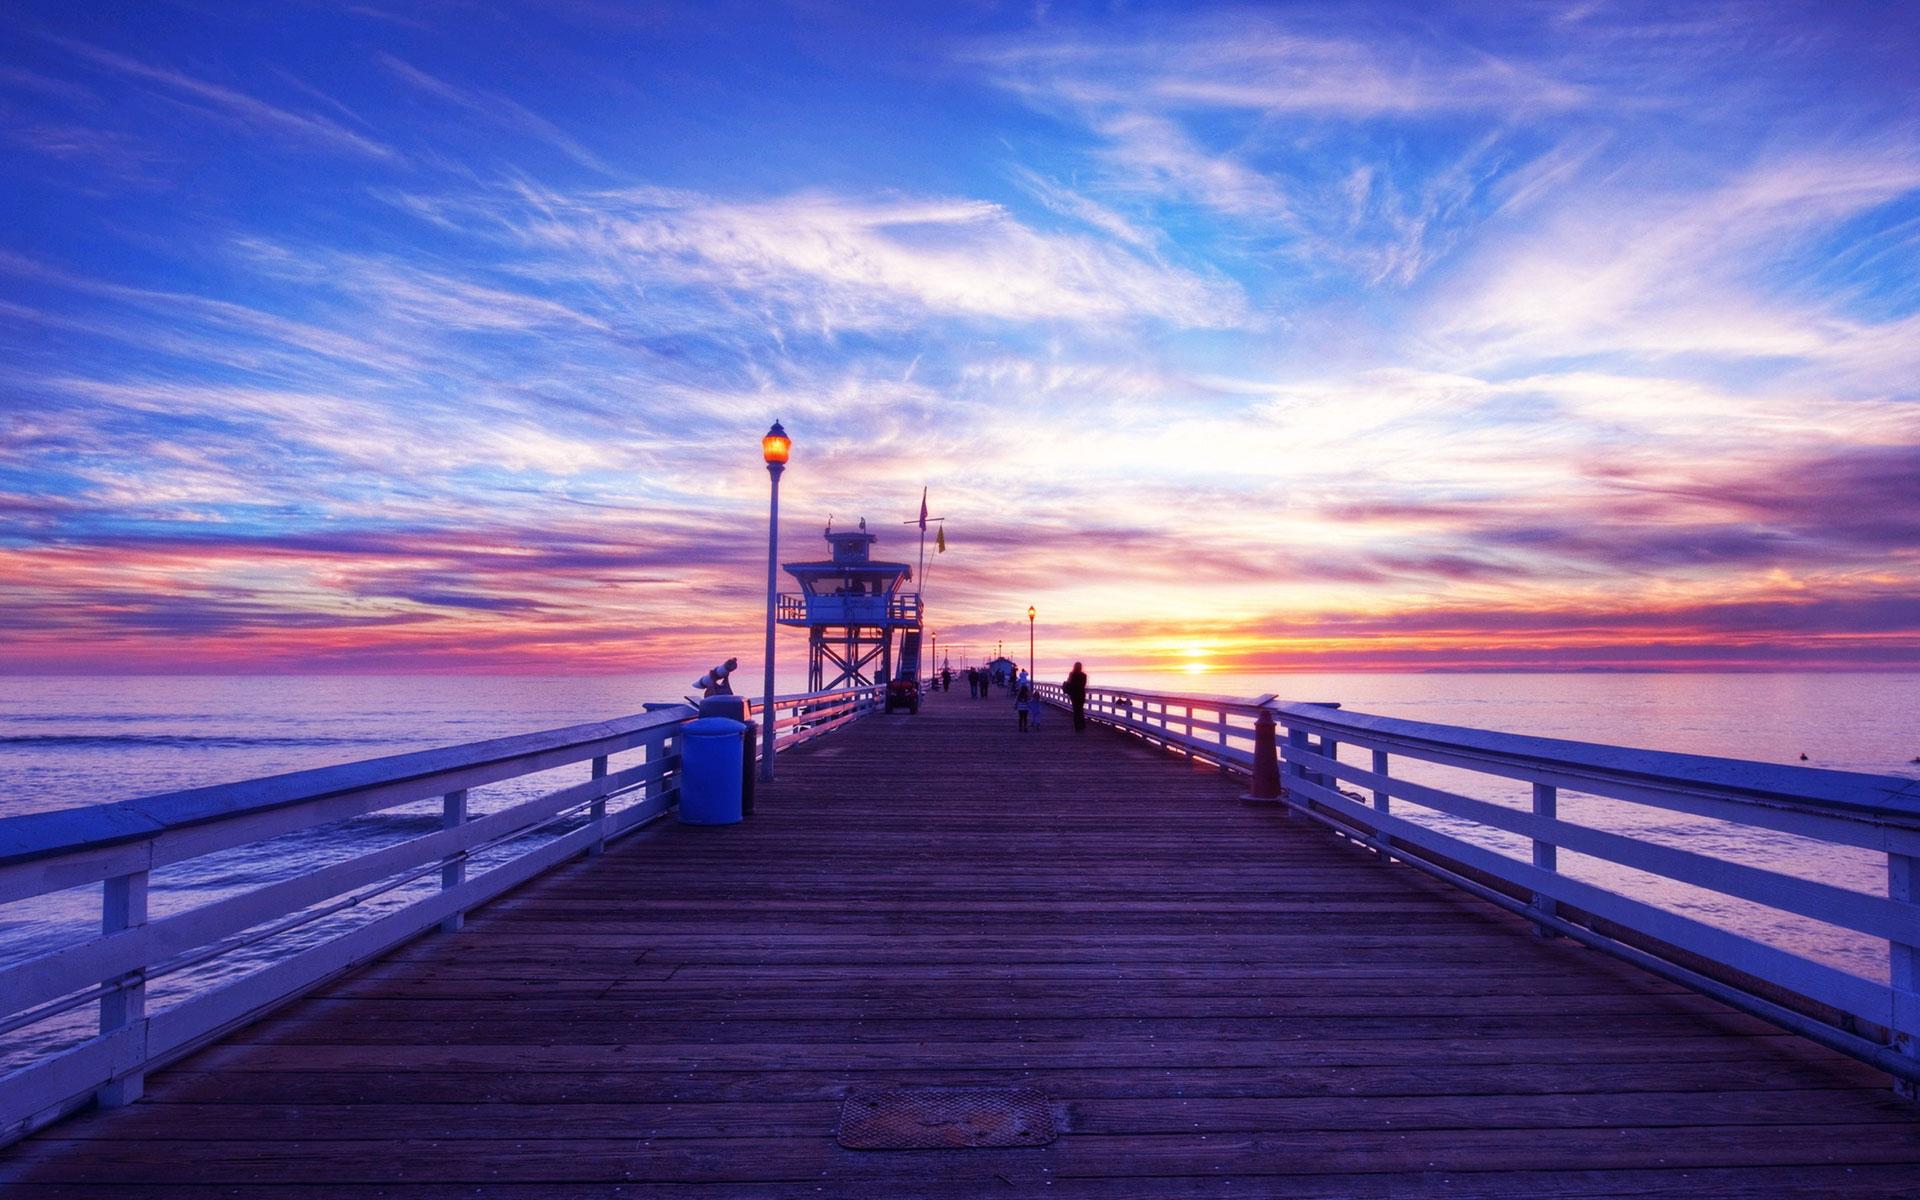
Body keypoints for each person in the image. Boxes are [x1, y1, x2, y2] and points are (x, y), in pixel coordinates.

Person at [1064, 661, 1088, 732]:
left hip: (1074, 694)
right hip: (1081, 694)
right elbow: (1083, 685)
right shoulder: (1084, 675)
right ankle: (1082, 725)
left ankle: (1077, 727)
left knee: (1076, 710)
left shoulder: (1072, 674)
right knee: (1080, 709)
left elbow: (1068, 682)